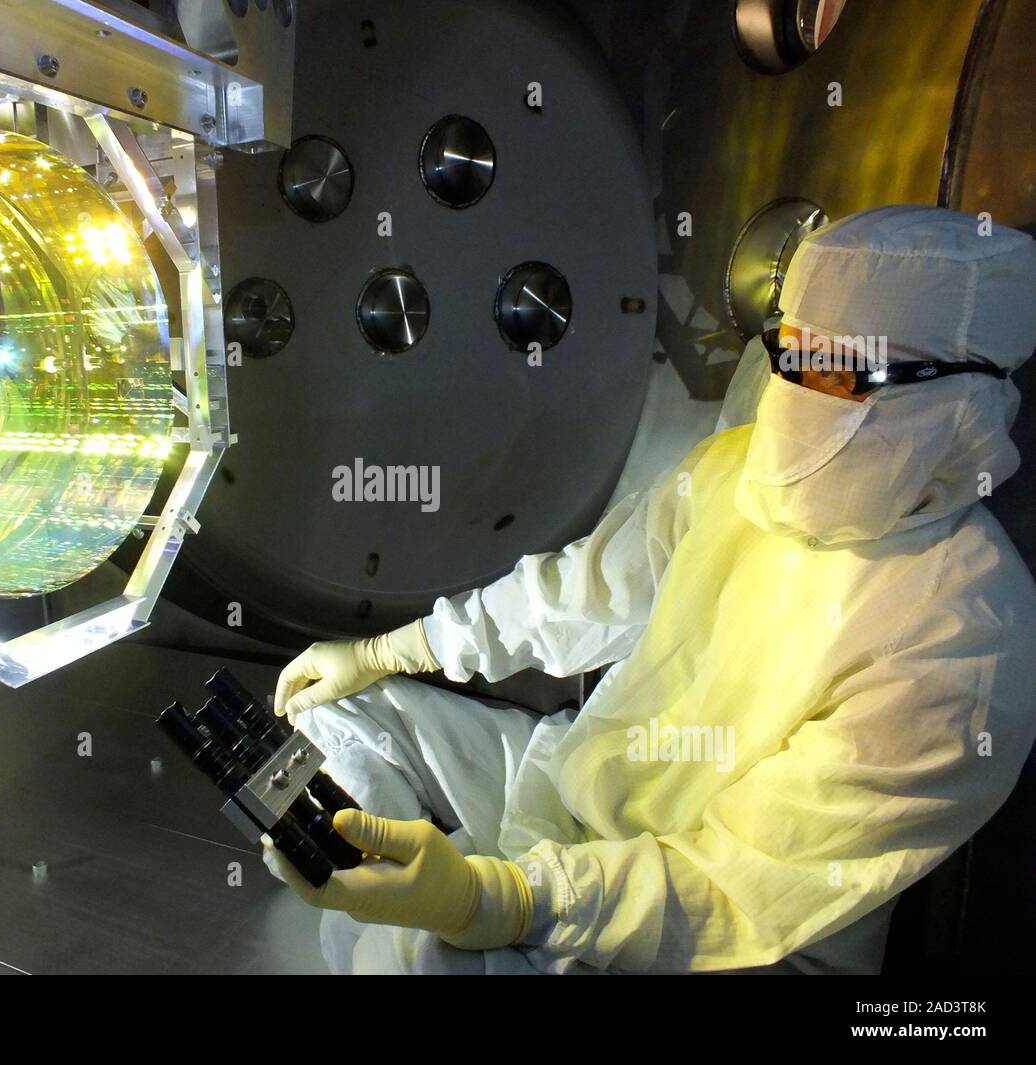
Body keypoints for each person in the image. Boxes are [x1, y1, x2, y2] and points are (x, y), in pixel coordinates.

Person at [262, 205, 1036, 974]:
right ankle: (398, 879)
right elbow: (582, 595)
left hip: (721, 938)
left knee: (406, 959)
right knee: (329, 712)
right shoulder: (738, 470)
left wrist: (497, 899)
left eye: (845, 370)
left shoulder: (965, 639)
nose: (799, 399)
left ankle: (423, 904)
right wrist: (389, 650)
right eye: (792, 353)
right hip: (591, 790)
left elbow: (732, 880)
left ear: (958, 402)